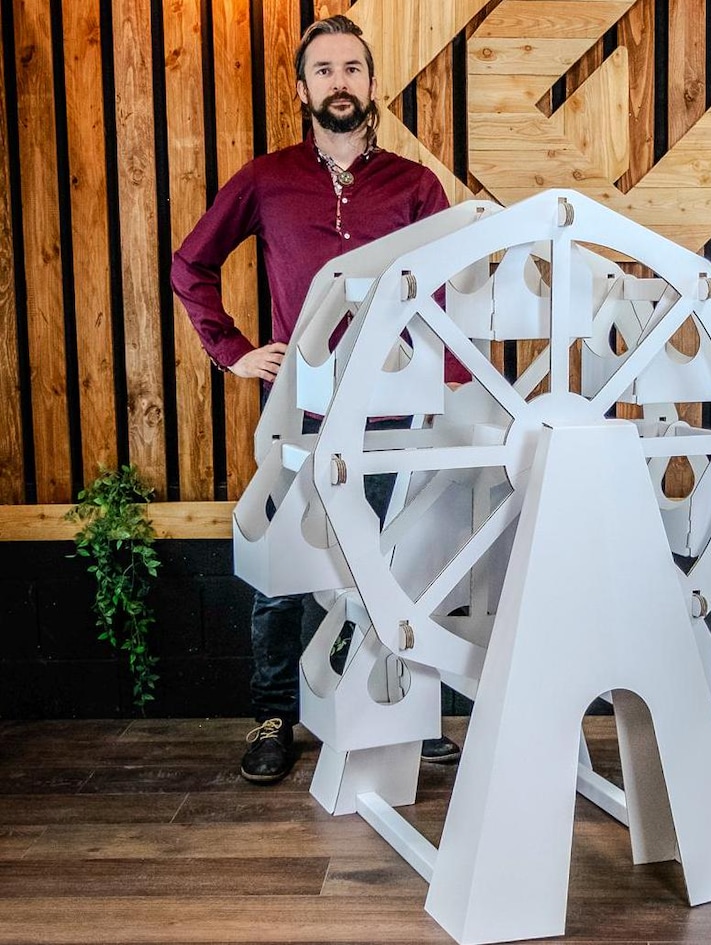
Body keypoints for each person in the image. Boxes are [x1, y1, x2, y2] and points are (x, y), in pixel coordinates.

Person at [172, 15, 466, 783]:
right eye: (325, 70)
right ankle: (273, 714)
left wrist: (451, 389)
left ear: (372, 85)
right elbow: (189, 265)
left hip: (395, 419)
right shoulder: (266, 179)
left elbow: (444, 294)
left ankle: (403, 712)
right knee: (286, 569)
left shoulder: (415, 186)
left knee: (393, 567)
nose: (340, 81)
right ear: (303, 90)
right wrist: (234, 352)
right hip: (301, 413)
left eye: (352, 68)